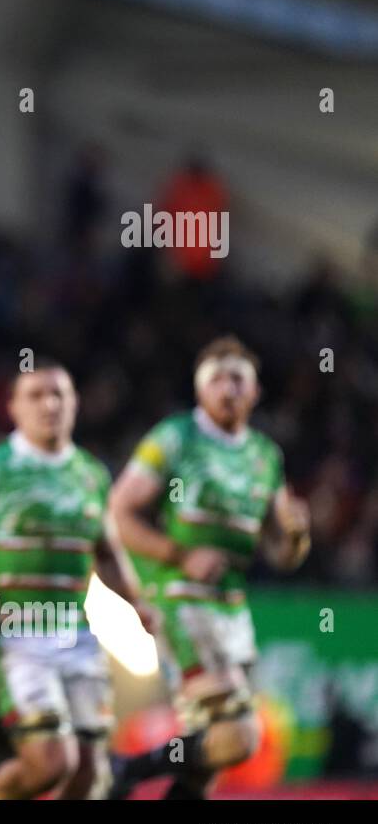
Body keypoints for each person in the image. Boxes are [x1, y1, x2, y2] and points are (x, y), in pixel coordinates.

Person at [0, 360, 157, 799]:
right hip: (16, 636)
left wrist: (139, 604)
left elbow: (107, 556)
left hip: (77, 634)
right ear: (13, 406)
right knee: (52, 761)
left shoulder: (90, 473)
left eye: (60, 395)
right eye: (36, 395)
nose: (49, 404)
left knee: (89, 772)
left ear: (75, 404)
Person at [107, 336, 311, 799]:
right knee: (243, 735)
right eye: (216, 378)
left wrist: (297, 535)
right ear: (199, 391)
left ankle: (127, 772)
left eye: (238, 378)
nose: (228, 388)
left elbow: (282, 556)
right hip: (180, 601)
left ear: (256, 391)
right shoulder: (176, 438)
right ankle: (125, 768)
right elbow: (119, 512)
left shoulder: (265, 457)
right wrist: (180, 556)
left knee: (212, 753)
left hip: (231, 609)